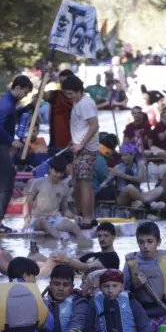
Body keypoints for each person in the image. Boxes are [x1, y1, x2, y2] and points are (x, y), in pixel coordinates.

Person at [0, 75, 35, 234]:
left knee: (8, 181)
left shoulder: (11, 102)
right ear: (18, 88)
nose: (25, 96)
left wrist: (29, 107)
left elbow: (13, 117)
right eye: (25, 93)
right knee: (5, 183)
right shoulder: (6, 104)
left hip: (2, 146)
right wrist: (11, 140)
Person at [123, 222, 166, 332]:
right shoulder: (131, 263)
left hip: (162, 314)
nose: (145, 246)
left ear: (158, 242)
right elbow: (121, 290)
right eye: (141, 242)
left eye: (150, 241)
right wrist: (134, 285)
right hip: (137, 316)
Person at [62, 74, 100, 229]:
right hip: (79, 147)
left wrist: (81, 144)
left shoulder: (85, 103)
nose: (69, 97)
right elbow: (81, 126)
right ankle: (85, 215)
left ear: (79, 91)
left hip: (86, 149)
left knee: (84, 182)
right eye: (66, 94)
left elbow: (94, 125)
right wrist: (74, 140)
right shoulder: (78, 103)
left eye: (71, 94)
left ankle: (88, 217)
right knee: (80, 182)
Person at [23, 156, 87, 240]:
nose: (58, 175)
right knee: (45, 223)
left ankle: (84, 247)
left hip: (55, 218)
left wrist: (74, 216)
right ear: (50, 169)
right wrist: (26, 221)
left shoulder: (64, 187)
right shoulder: (38, 183)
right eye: (56, 172)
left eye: (61, 173)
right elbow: (26, 203)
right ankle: (60, 241)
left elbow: (64, 210)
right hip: (37, 218)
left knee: (74, 227)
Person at [45, 264, 89, 332]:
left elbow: (76, 323)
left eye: (65, 285)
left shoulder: (80, 302)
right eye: (56, 284)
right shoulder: (42, 302)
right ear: (50, 284)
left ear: (72, 287)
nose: (61, 289)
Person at [43, 69, 76, 158]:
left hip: (73, 143)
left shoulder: (79, 98)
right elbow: (41, 95)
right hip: (55, 142)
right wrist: (44, 82)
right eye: (60, 82)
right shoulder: (56, 95)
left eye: (65, 82)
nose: (62, 85)